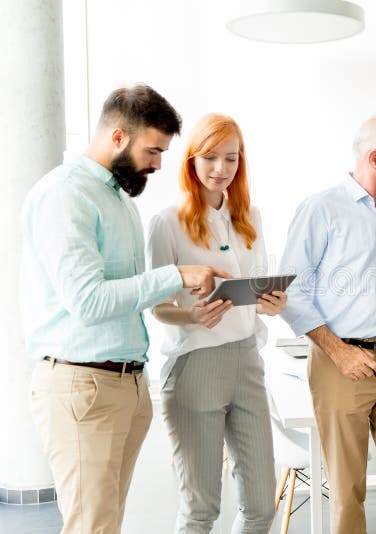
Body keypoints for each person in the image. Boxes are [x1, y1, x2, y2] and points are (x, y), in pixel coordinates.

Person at [21, 84, 226, 534]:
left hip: (123, 384)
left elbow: (128, 292)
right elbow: (89, 301)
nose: (157, 163)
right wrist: (178, 276)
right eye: (152, 150)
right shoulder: (66, 195)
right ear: (118, 137)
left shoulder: (117, 199)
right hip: (83, 385)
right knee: (91, 526)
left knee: (105, 523)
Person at [279, 113, 376, 534]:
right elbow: (292, 291)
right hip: (340, 360)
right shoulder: (321, 209)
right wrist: (340, 352)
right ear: (375, 157)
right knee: (347, 490)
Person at [147, 113, 285, 533]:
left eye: (231, 159)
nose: (220, 170)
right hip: (195, 364)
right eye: (210, 158)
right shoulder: (167, 223)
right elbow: (156, 304)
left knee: (262, 505)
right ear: (191, 161)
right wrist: (191, 315)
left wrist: (271, 304)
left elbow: (255, 289)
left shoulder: (251, 218)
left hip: (246, 361)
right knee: (200, 509)